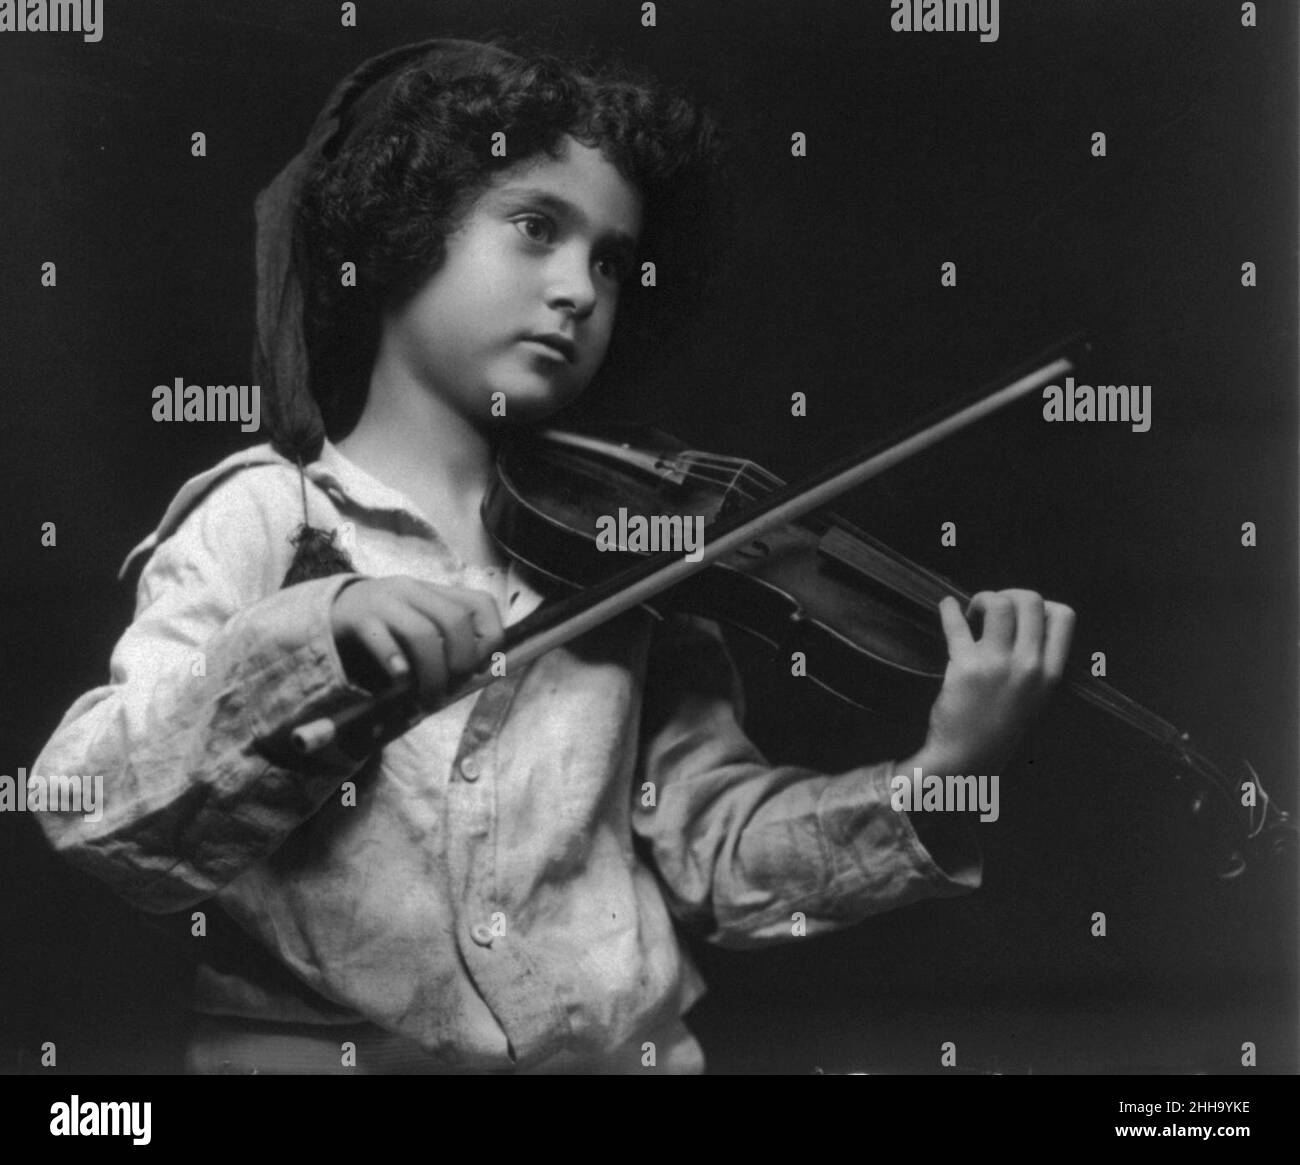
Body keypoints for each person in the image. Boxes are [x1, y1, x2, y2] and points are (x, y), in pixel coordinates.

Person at [31, 36, 1074, 1074]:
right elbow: (94, 809)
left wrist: (943, 776)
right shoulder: (262, 515)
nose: (578, 287)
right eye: (536, 227)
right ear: (403, 231)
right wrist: (316, 639)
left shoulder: (632, 550)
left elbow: (712, 859)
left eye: (610, 260)